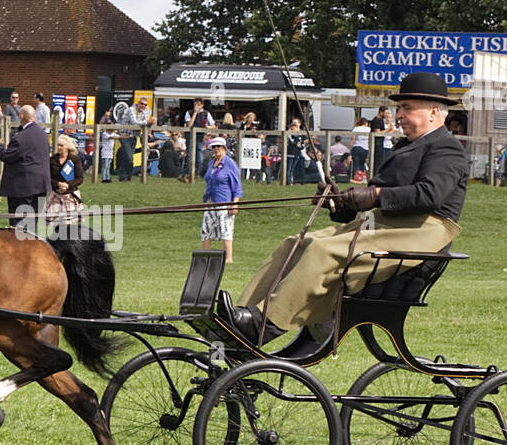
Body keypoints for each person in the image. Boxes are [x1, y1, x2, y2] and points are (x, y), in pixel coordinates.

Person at [220, 72, 468, 349]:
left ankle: (263, 325)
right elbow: (371, 203)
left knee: (322, 251)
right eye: (400, 108)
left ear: (434, 112)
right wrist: (340, 202)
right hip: (383, 225)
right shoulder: (407, 146)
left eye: (407, 108)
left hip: (422, 232)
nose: (399, 115)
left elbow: (429, 195)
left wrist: (373, 195)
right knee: (297, 243)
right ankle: (244, 313)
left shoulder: (446, 148)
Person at [0, 105, 51, 232]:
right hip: (41, 185)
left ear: (21, 116)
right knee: (32, 223)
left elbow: (7, 156)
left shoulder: (21, 137)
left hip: (22, 187)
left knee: (19, 224)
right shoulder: (43, 134)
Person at [200, 136, 242, 264]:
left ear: (224, 148)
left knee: (225, 229)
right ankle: (205, 256)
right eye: (214, 147)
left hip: (225, 201)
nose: (216, 149)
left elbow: (237, 185)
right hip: (210, 200)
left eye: (218, 146)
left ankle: (228, 257)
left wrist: (234, 204)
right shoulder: (211, 163)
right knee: (205, 228)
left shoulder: (230, 163)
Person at [46, 133, 86, 224]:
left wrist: (67, 185)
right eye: (58, 145)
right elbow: (47, 177)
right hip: (56, 195)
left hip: (70, 195)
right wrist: (58, 184)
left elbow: (80, 178)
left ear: (67, 147)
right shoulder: (52, 160)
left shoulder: (74, 160)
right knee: (55, 223)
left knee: (69, 225)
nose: (59, 147)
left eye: (61, 145)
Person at [115, 96, 146, 182]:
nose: (143, 106)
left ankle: (124, 176)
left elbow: (144, 124)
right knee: (129, 158)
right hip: (124, 135)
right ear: (138, 103)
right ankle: (127, 175)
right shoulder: (131, 110)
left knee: (127, 157)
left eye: (145, 105)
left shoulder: (143, 113)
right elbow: (134, 122)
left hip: (133, 137)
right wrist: (147, 123)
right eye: (142, 103)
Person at [97, 110, 119, 183]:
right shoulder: (105, 133)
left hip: (110, 152)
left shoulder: (112, 132)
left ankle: (107, 177)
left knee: (108, 166)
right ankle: (104, 178)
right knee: (105, 166)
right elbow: (103, 123)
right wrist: (107, 116)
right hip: (105, 152)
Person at [350, 115, 371, 179]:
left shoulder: (356, 128)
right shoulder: (369, 129)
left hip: (357, 146)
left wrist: (350, 147)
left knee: (355, 164)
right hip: (365, 148)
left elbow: (353, 138)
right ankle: (361, 177)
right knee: (362, 164)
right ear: (366, 123)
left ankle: (354, 177)